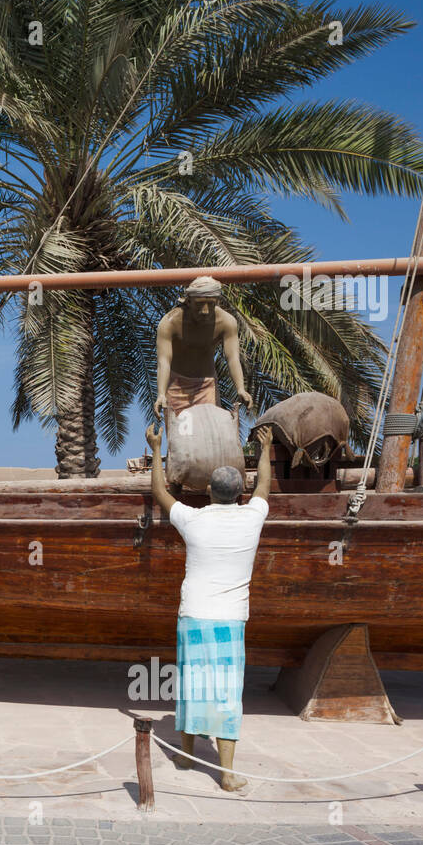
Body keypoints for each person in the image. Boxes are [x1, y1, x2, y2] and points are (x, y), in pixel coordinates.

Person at [146, 421, 273, 791]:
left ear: (208, 492)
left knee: (191, 686)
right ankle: (227, 773)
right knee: (227, 694)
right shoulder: (253, 517)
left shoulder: (194, 519)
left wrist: (156, 447)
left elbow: (158, 492)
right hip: (230, 620)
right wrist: (266, 449)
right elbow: (264, 486)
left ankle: (186, 755)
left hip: (193, 615)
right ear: (240, 493)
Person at [154, 276, 253, 419]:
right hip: (175, 387)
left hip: (206, 386)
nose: (205, 311)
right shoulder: (170, 322)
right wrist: (161, 394)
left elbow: (232, 358)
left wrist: (240, 388)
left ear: (217, 302)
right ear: (188, 301)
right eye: (199, 304)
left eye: (211, 304)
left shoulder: (226, 322)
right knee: (180, 437)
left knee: (210, 432)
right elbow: (163, 361)